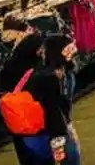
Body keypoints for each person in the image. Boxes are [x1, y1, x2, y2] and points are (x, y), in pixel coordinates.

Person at [24, 34, 80, 165]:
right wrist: (59, 141)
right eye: (68, 49)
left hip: (52, 130)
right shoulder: (48, 78)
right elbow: (52, 112)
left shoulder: (61, 72)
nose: (73, 52)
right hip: (45, 133)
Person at [0, 17, 44, 165]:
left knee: (24, 139)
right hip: (24, 101)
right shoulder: (26, 45)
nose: (4, 37)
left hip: (21, 101)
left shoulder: (27, 46)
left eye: (6, 32)